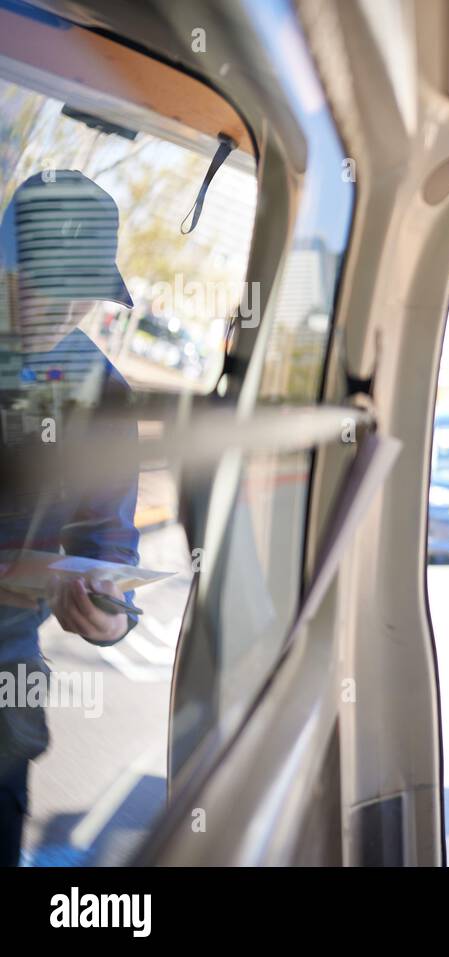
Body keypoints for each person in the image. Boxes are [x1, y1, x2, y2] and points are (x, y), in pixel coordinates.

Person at [0, 170, 141, 866]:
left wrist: (109, 616)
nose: (64, 305)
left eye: (82, 286)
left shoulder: (104, 397)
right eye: (43, 277)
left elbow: (106, 550)